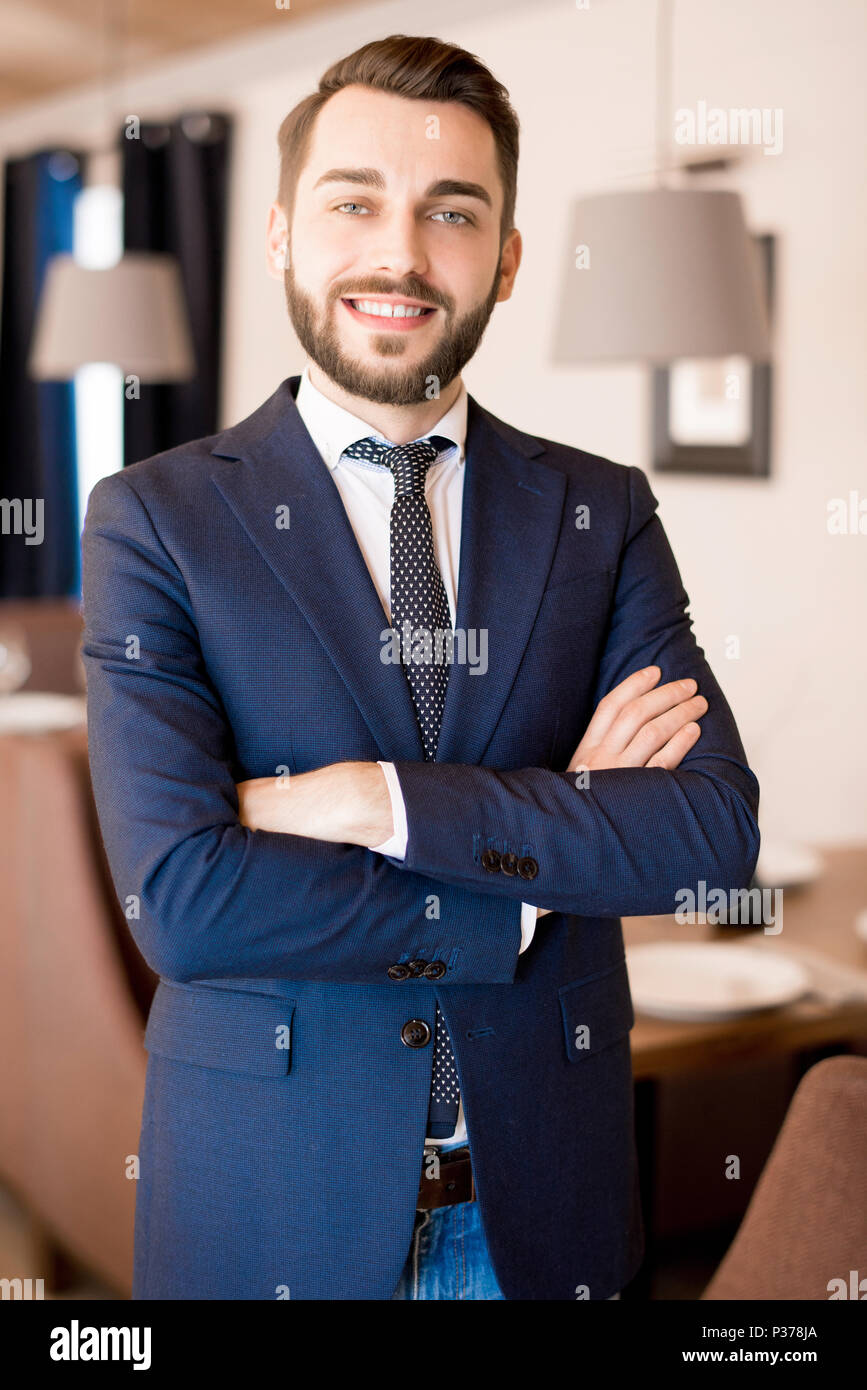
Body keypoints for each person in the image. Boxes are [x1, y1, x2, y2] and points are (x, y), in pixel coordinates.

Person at [81, 34, 759, 1301]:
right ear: (282, 232)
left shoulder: (597, 514)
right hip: (269, 1210)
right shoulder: (155, 517)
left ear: (504, 259)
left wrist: (367, 801)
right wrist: (533, 878)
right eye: (355, 203)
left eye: (451, 212)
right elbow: (182, 898)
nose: (399, 253)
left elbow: (710, 838)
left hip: (545, 1215)